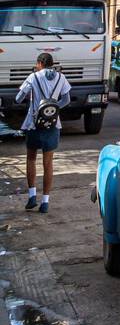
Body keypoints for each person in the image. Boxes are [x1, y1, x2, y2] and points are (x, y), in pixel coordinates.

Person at [15, 53, 71, 214]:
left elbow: (19, 98)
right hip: (52, 125)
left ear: (40, 63)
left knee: (31, 159)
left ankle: (32, 196)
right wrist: (52, 109)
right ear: (52, 64)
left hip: (33, 124)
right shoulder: (61, 77)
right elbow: (66, 100)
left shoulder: (33, 77)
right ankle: (45, 202)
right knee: (48, 163)